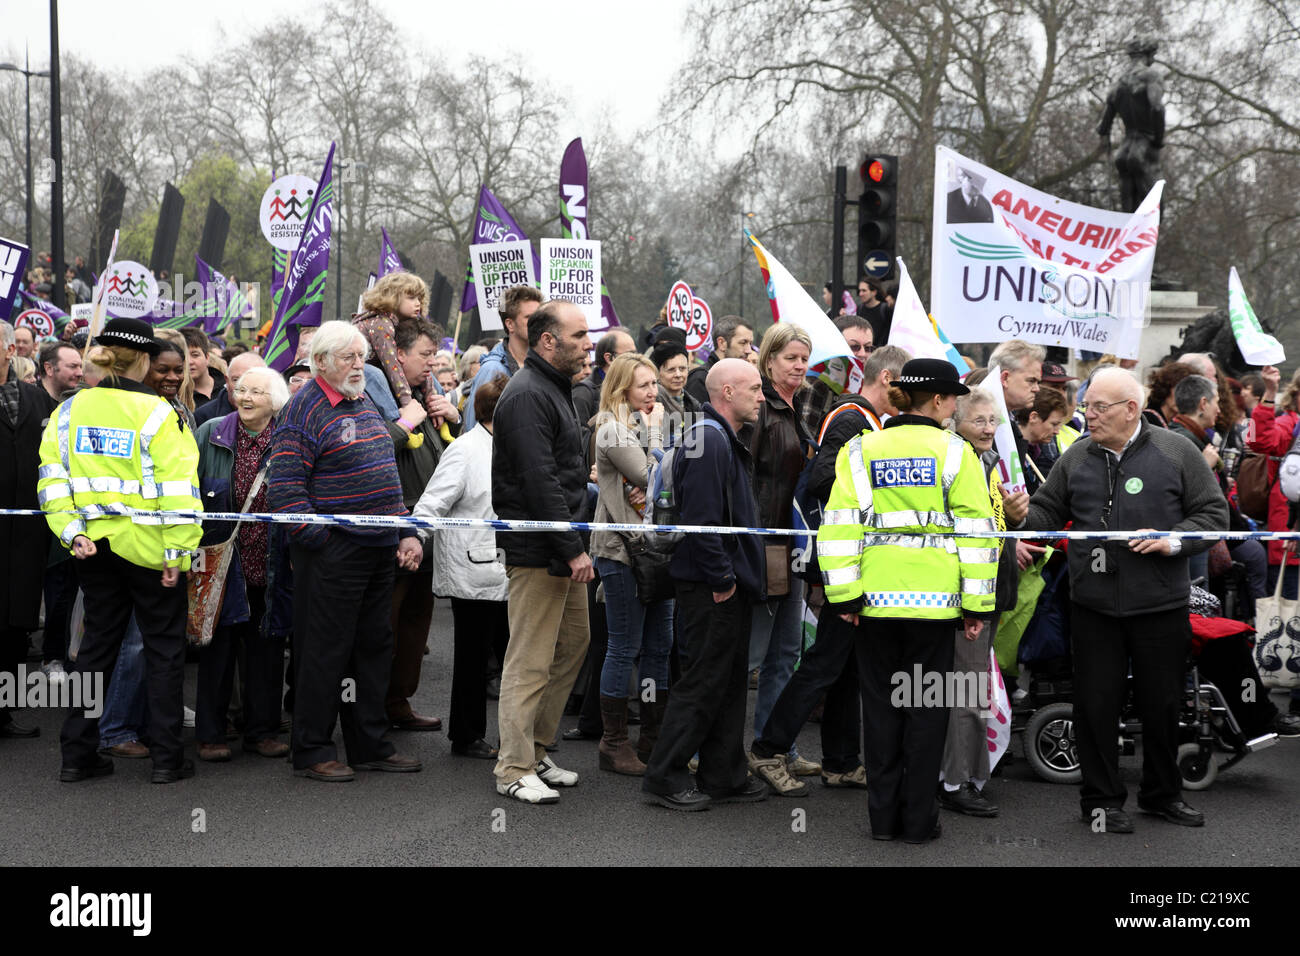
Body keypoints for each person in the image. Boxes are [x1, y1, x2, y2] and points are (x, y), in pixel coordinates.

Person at [1017, 368, 1228, 832]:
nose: (1088, 415)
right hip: (1093, 607)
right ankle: (1101, 802)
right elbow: (1047, 510)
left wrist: (1174, 540)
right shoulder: (1077, 456)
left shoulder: (1176, 451)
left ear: (1131, 409)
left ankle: (1162, 795)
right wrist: (1021, 516)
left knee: (1163, 705)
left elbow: (1214, 513)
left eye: (1098, 407)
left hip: (1160, 605)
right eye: (1086, 406)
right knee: (1095, 707)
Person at [817, 357, 998, 843]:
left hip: (874, 607)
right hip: (935, 611)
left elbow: (838, 527)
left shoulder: (861, 449)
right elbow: (977, 535)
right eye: (954, 398)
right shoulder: (957, 453)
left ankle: (882, 822)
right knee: (925, 713)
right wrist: (976, 607)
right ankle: (918, 823)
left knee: (880, 714)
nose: (956, 406)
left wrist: (845, 597)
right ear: (937, 400)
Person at [37, 318, 205, 784]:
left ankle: (77, 755)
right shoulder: (159, 413)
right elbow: (179, 490)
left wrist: (72, 532)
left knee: (95, 650)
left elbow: (52, 479)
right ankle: (167, 759)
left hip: (94, 548)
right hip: (152, 552)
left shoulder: (70, 410)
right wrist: (178, 552)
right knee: (164, 652)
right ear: (145, 361)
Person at [747, 344, 911, 795]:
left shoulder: (865, 420)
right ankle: (767, 750)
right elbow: (822, 479)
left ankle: (841, 762)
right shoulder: (851, 419)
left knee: (846, 664)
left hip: (854, 559)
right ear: (886, 380)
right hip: (844, 561)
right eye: (906, 386)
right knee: (823, 662)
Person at [268, 321, 424, 782]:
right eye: (349, 357)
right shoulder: (303, 409)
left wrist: (404, 530)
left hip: (377, 549)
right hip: (334, 555)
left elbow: (386, 477)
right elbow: (286, 492)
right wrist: (324, 543)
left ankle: (368, 743)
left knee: (371, 649)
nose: (359, 365)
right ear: (320, 362)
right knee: (324, 653)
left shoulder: (362, 398)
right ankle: (313, 749)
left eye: (362, 356)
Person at [642, 359, 768, 810]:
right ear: (727, 392)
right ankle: (664, 776)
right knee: (701, 683)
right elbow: (701, 520)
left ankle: (724, 775)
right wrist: (722, 578)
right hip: (711, 586)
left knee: (728, 683)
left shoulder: (716, 436)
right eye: (754, 388)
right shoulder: (709, 439)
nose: (762, 397)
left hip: (721, 583)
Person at [490, 299, 594, 804]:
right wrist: (572, 549)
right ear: (548, 341)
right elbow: (539, 481)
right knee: (529, 661)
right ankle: (512, 767)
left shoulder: (554, 388)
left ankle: (535, 750)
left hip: (561, 546)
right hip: (539, 551)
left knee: (573, 645)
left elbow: (562, 474)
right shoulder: (528, 394)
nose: (589, 344)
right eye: (579, 336)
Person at [193, 367, 293, 761]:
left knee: (266, 650)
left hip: (269, 563)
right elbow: (190, 487)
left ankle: (262, 731)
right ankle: (211, 734)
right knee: (217, 651)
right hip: (221, 561)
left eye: (256, 392)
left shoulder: (287, 438)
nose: (246, 397)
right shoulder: (211, 432)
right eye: (241, 389)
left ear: (275, 402)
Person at [412, 375, 510, 760]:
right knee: (473, 657)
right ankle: (466, 736)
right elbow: (433, 501)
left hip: (505, 568)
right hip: (473, 570)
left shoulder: (511, 446)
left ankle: (521, 738)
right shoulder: (466, 450)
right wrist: (414, 538)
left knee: (512, 657)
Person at [940, 387, 1025, 817]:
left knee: (975, 691)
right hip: (969, 598)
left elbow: (994, 526)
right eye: (979, 420)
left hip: (992, 593)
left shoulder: (989, 461)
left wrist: (1016, 517)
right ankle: (955, 783)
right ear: (955, 423)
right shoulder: (957, 462)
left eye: (993, 420)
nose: (989, 428)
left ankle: (968, 775)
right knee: (966, 692)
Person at [742, 323, 820, 776]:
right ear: (768, 359)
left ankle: (772, 747)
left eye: (804, 358)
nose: (799, 366)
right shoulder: (761, 409)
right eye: (791, 357)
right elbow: (746, 477)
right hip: (765, 544)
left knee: (786, 652)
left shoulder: (795, 410)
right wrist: (752, 540)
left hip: (793, 546)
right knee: (752, 655)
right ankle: (707, 750)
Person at [590, 353, 672, 775]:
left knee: (659, 646)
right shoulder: (611, 429)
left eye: (654, 384)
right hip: (622, 551)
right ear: (622, 390)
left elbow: (666, 480)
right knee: (625, 647)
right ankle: (614, 743)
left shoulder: (638, 428)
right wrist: (658, 438)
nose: (653, 392)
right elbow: (655, 479)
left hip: (656, 550)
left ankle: (653, 738)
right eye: (644, 385)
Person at [364, 318, 446, 733]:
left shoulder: (423, 396)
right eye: (425, 355)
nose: (432, 363)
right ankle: (370, 709)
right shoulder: (376, 392)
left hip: (427, 529)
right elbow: (370, 453)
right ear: (398, 354)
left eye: (435, 355)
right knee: (386, 625)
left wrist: (451, 416)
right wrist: (406, 423)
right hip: (396, 528)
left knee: (416, 623)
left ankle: (399, 701)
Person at [0, 321, 58, 741]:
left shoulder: (37, 399)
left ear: (9, 352)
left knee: (17, 625)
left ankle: (4, 711)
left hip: (26, 535)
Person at [463, 284, 544, 430]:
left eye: (540, 317)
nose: (538, 323)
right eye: (529, 318)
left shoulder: (542, 367)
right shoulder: (493, 370)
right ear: (510, 324)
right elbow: (475, 429)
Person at [794, 313, 874, 438]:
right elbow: (806, 442)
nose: (863, 353)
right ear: (835, 347)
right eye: (854, 347)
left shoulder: (866, 384)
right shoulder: (814, 383)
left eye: (868, 347)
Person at [572, 328, 636, 430]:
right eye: (630, 354)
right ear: (609, 358)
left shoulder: (635, 387)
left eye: (636, 354)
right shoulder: (583, 393)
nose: (636, 360)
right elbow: (579, 435)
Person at [684, 315, 754, 406]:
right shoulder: (700, 379)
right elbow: (695, 415)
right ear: (722, 343)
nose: (749, 350)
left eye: (750, 344)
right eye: (743, 343)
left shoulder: (742, 378)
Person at [194, 351, 266, 426]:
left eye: (252, 380)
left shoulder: (273, 415)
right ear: (227, 381)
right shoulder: (204, 417)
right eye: (236, 380)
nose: (242, 386)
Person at [651, 338, 701, 441]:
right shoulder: (651, 404)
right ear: (657, 373)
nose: (678, 375)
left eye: (682, 369)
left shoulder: (693, 404)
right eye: (671, 370)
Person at [182, 327, 225, 405]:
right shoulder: (176, 397)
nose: (189, 362)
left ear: (207, 357)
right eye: (183, 356)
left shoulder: (227, 388)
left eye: (195, 355)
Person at [855, 277, 891, 343]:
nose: (860, 294)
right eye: (859, 291)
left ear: (874, 292)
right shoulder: (860, 309)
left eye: (864, 290)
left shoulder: (885, 309)